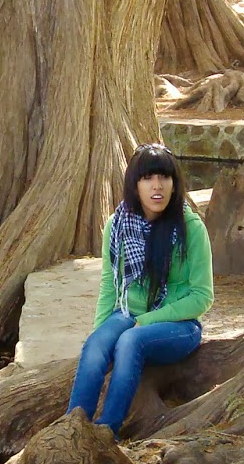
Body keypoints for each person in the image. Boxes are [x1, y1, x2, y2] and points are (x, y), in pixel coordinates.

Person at [67, 143, 213, 435]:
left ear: (174, 184)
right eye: (148, 178)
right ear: (135, 185)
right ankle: (72, 430)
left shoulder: (190, 227)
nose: (157, 186)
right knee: (96, 346)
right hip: (126, 313)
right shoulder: (117, 225)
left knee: (130, 342)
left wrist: (144, 321)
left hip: (178, 325)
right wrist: (101, 333)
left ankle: (106, 432)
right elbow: (111, 284)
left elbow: (202, 296)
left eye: (164, 177)